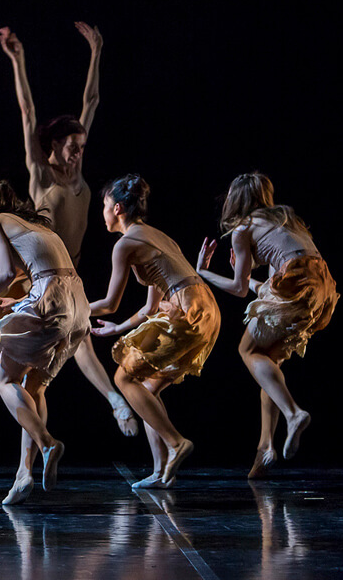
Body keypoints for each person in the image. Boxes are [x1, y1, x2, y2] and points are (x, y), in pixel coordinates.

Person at [0, 24, 139, 449]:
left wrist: (97, 50)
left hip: (69, 275)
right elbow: (26, 111)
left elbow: (91, 101)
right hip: (35, 278)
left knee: (74, 341)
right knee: (26, 374)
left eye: (82, 144)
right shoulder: (42, 175)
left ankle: (112, 405)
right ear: (54, 147)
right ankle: (41, 449)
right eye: (72, 145)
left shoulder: (78, 171)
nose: (79, 151)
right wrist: (18, 60)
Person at [197, 172, 338, 478]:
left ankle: (294, 413)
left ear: (235, 202)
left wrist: (203, 272)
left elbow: (237, 288)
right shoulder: (287, 220)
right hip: (321, 285)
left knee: (247, 351)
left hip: (298, 280)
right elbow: (274, 289)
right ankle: (265, 448)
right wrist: (245, 277)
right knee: (269, 364)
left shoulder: (243, 229)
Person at [89, 175, 221, 488]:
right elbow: (151, 307)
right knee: (147, 390)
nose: (103, 211)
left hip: (188, 309)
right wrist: (119, 328)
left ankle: (176, 442)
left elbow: (109, 302)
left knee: (124, 378)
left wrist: (73, 308)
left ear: (118, 208)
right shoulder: (155, 236)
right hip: (206, 309)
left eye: (105, 205)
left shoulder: (126, 244)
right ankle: (162, 470)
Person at [0, 181, 91, 502]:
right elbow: (46, 272)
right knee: (34, 385)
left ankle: (47, 443)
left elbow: (7, 273)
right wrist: (17, 303)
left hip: (52, 297)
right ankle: (24, 473)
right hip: (77, 304)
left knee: (3, 378)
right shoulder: (34, 225)